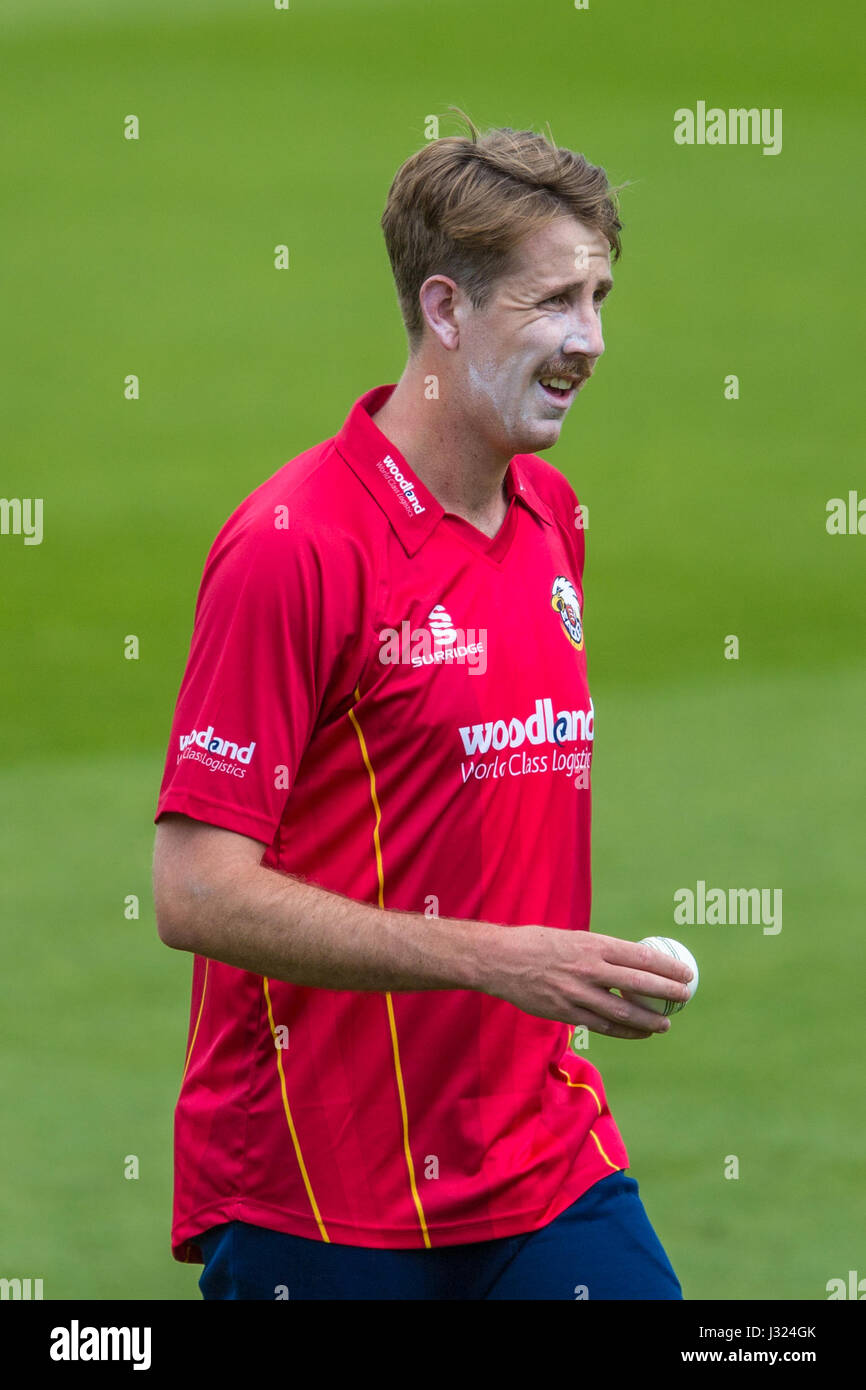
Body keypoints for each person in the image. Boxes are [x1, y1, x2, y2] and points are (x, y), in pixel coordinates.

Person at [152, 110, 693, 1301]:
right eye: (551, 302)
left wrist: (553, 976)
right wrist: (499, 959)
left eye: (601, 295)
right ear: (445, 312)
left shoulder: (551, 516)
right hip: (322, 1189)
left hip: (544, 1161)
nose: (590, 338)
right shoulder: (292, 547)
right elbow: (193, 893)